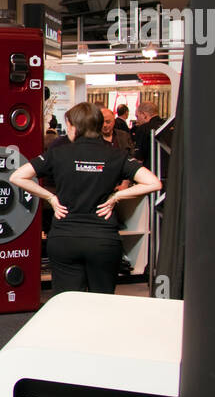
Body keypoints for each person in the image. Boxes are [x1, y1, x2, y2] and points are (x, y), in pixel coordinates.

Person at [9, 101, 161, 295]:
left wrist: (51, 198)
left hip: (65, 238)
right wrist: (117, 196)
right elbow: (154, 183)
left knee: (68, 304)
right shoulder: (116, 155)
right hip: (102, 240)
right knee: (102, 303)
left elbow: (17, 176)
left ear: (74, 126)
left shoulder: (58, 153)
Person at [134, 100, 165, 165]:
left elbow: (139, 158)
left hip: (151, 170)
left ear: (144, 115)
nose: (137, 120)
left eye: (137, 116)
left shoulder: (143, 129)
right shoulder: (168, 126)